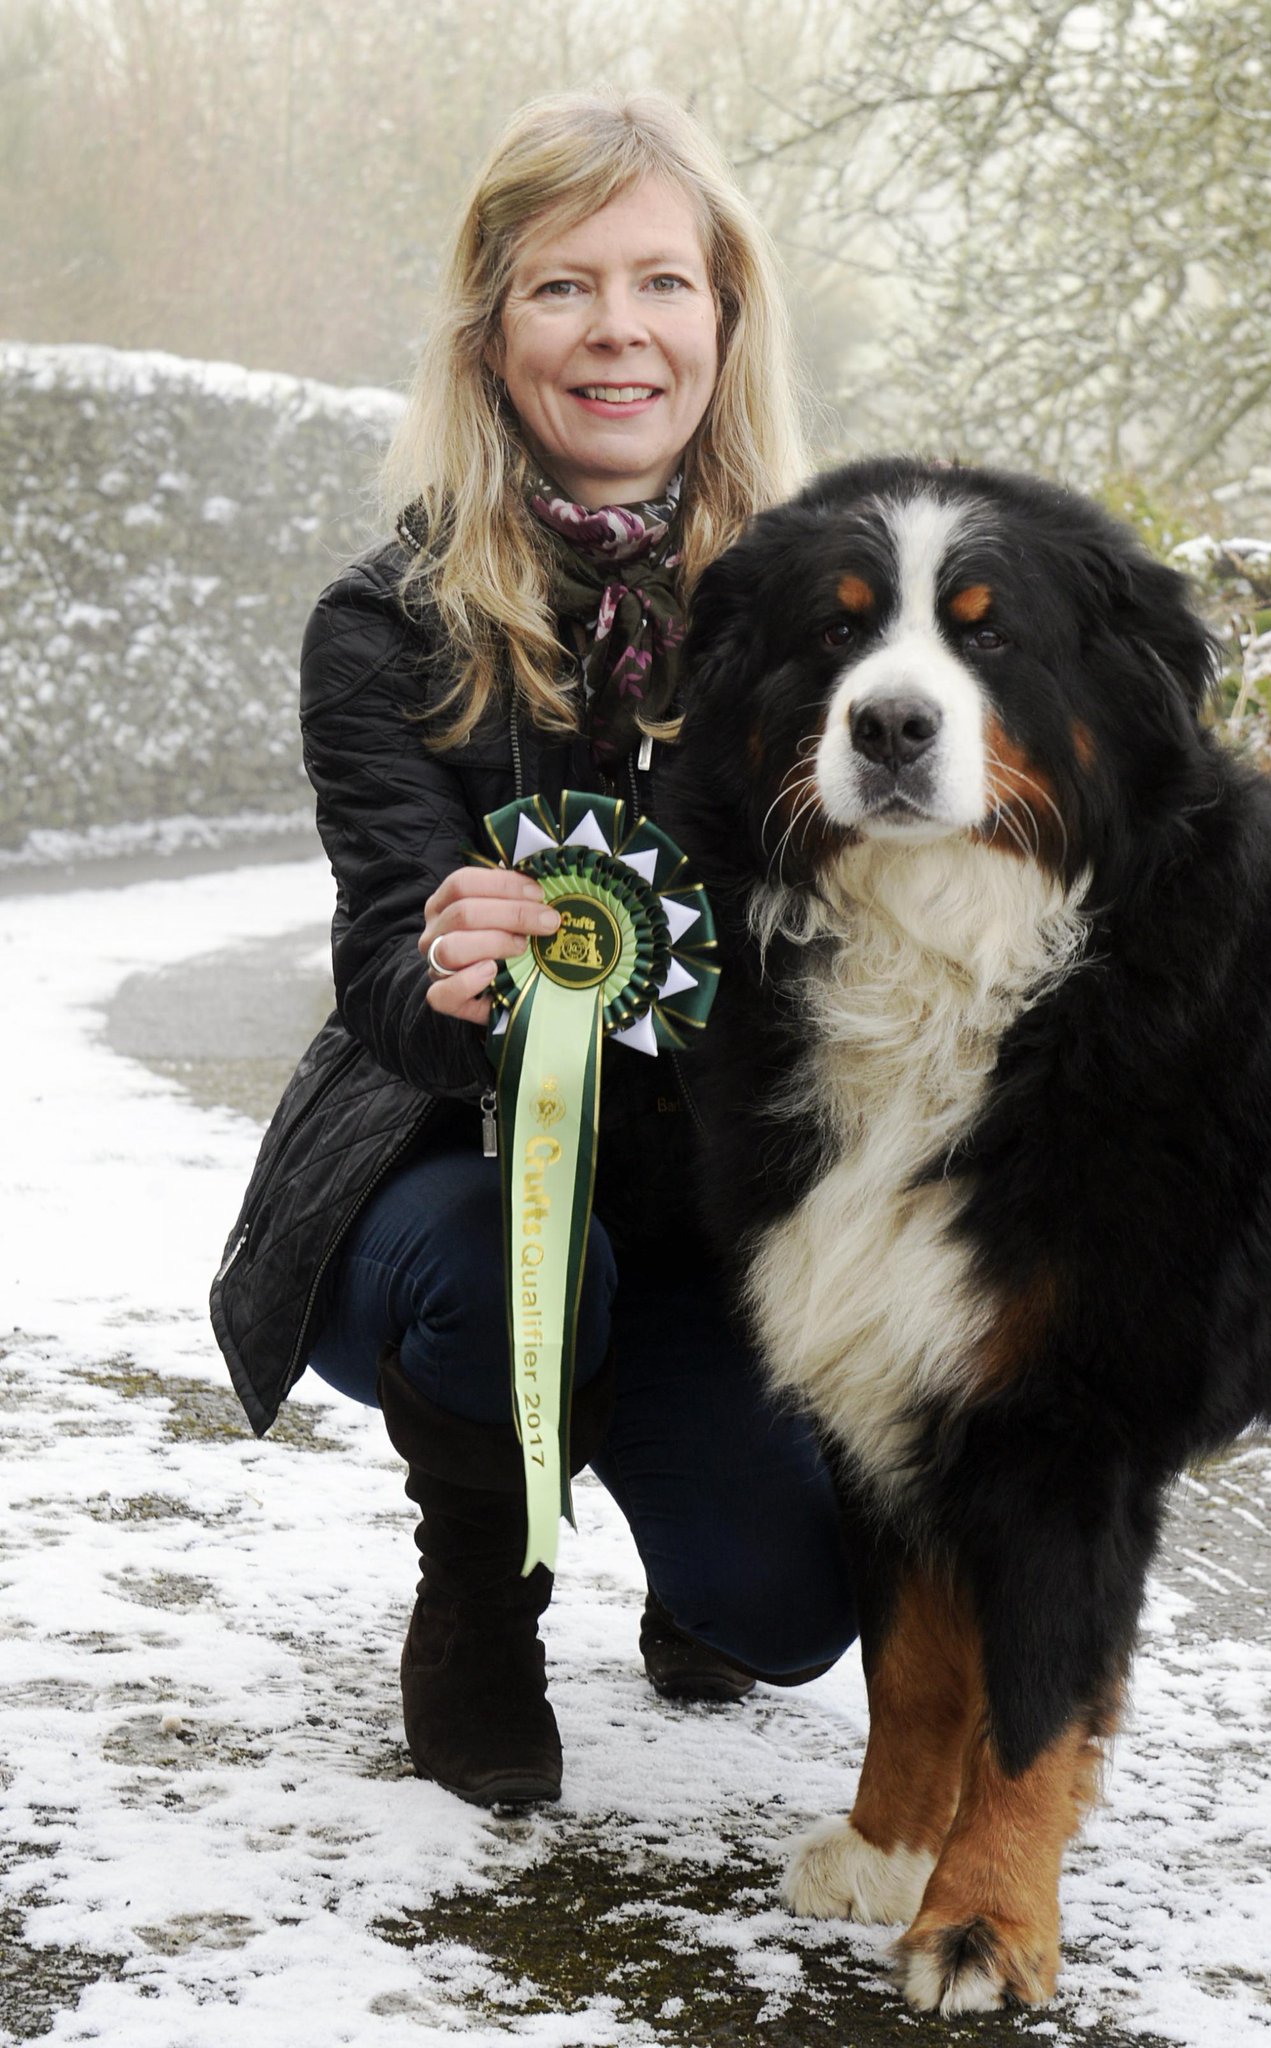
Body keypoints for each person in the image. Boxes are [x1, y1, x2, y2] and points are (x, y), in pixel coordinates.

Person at [209, 91, 855, 1807]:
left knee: (791, 1617)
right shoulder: (387, 618)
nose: (617, 332)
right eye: (563, 287)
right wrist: (450, 969)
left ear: (726, 319)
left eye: (661, 282)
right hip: (446, 1186)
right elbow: (374, 971)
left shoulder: (830, 613)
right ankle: (479, 1587)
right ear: (491, 332)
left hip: (713, 1214)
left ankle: (684, 1547)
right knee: (497, 1253)